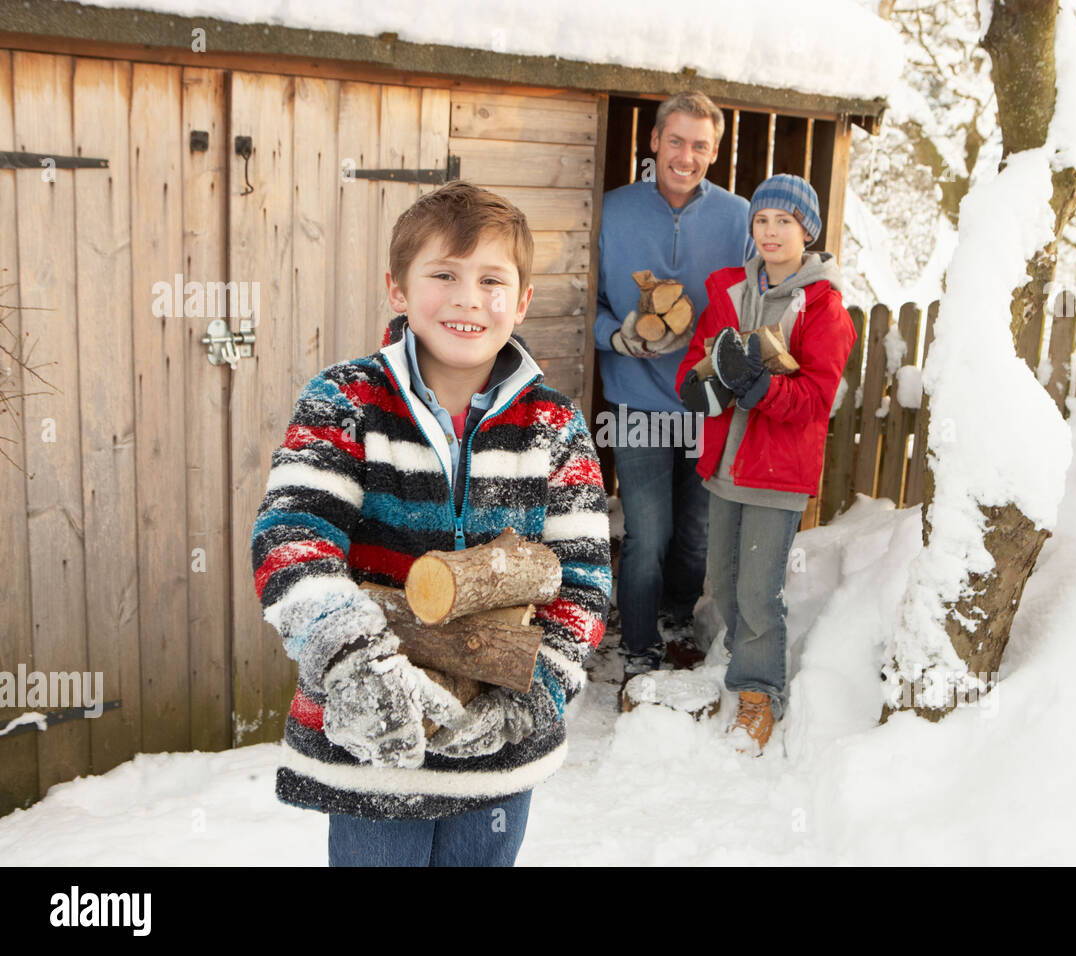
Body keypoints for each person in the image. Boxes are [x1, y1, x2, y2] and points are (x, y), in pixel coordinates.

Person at [250, 181, 610, 865]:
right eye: (443, 274)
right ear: (398, 289)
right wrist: (348, 654)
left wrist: (537, 692)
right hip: (371, 746)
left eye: (491, 280)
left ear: (523, 299)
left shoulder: (554, 427)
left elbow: (584, 578)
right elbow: (292, 537)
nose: (468, 298)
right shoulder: (345, 400)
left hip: (499, 750)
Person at [674, 174, 856, 754]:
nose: (772, 232)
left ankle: (759, 693)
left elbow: (814, 403)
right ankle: (737, 658)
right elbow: (697, 357)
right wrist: (701, 386)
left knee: (758, 591)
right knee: (722, 582)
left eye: (785, 222)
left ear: (807, 231)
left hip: (779, 474)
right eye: (762, 221)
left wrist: (758, 390)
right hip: (726, 465)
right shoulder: (728, 291)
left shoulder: (824, 309)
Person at [593, 91, 755, 686]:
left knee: (696, 537)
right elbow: (581, 301)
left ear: (714, 153)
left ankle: (676, 616)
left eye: (701, 146)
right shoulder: (609, 210)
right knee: (647, 534)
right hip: (636, 398)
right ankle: (637, 646)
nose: (686, 156)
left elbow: (763, 295)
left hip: (710, 400)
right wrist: (618, 338)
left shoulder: (741, 218)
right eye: (677, 141)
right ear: (655, 140)